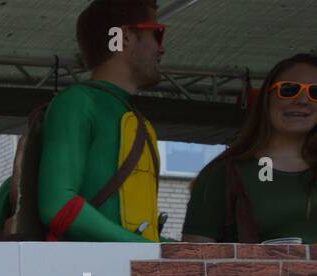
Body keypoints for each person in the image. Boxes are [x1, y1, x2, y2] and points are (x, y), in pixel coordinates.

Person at [33, 0, 166, 242]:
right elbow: (58, 205)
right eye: (157, 34)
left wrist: (159, 249)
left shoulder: (134, 117)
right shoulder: (77, 102)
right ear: (123, 37)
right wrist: (144, 249)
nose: (161, 49)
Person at [182, 54, 317, 244]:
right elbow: (194, 260)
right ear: (266, 97)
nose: (303, 100)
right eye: (289, 90)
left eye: (315, 92)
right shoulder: (223, 173)